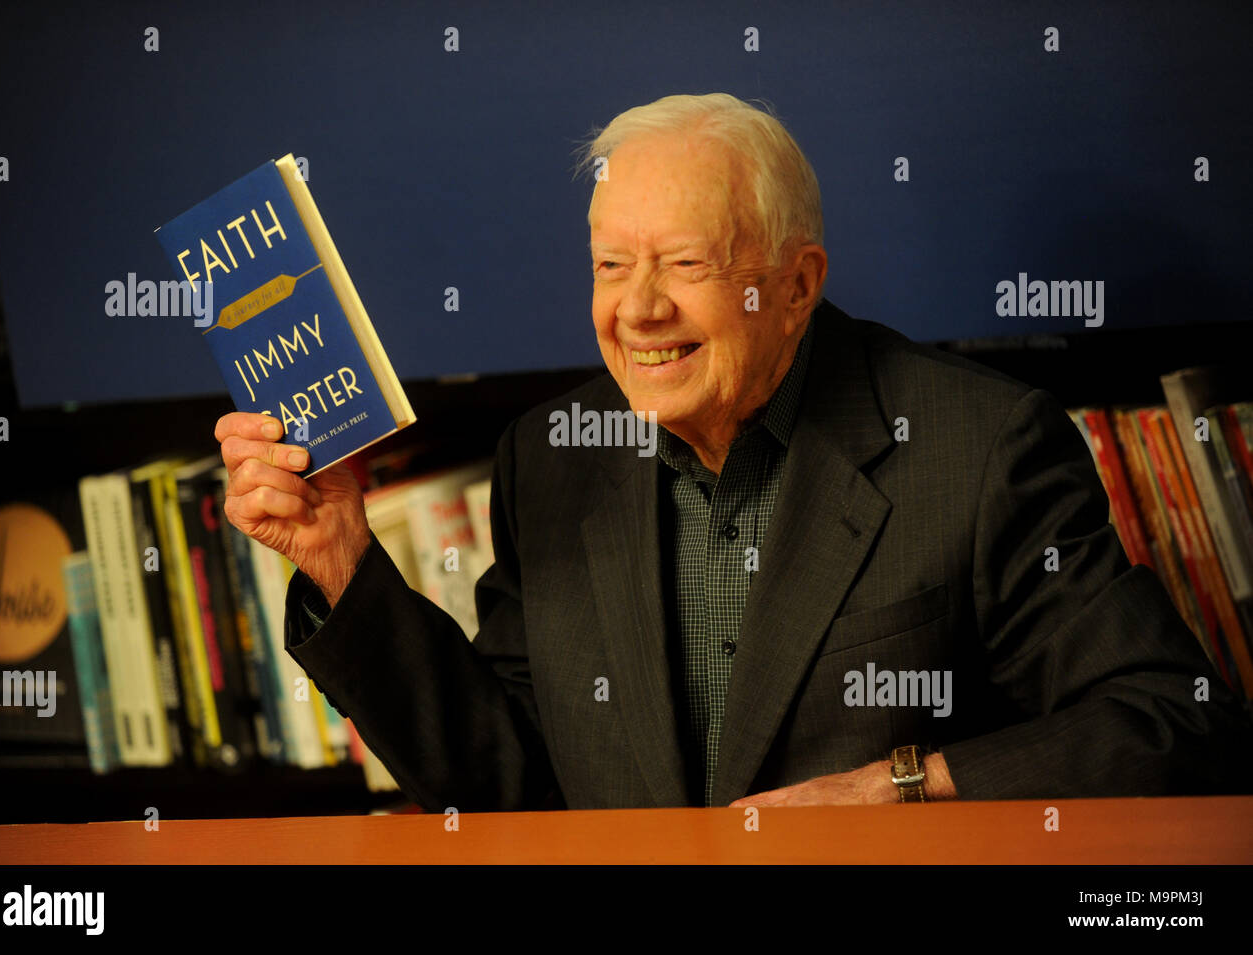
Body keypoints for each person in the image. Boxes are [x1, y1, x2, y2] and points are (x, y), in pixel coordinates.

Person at [215, 93, 1252, 810]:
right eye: (610, 263)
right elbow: (509, 782)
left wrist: (900, 785)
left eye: (685, 263)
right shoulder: (552, 458)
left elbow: (1171, 724)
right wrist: (340, 557)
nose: (637, 308)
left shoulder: (978, 447)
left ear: (797, 285)